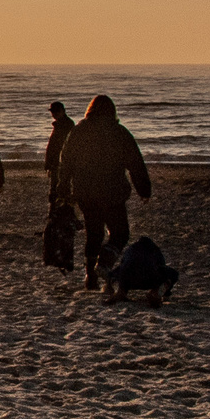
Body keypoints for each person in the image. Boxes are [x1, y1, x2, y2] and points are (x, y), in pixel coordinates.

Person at [56, 94, 151, 290]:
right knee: (120, 233)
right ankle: (105, 263)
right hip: (112, 192)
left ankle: (90, 277)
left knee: (94, 233)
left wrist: (63, 188)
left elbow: (65, 163)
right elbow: (135, 163)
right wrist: (144, 189)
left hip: (85, 192)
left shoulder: (78, 132)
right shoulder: (119, 132)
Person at [43, 101, 76, 201]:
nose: (54, 114)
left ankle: (59, 211)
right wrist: (48, 164)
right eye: (53, 112)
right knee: (57, 188)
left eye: (56, 112)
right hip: (56, 162)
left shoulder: (67, 125)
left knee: (60, 188)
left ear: (63, 111)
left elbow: (64, 146)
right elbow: (52, 146)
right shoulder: (60, 125)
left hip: (61, 162)